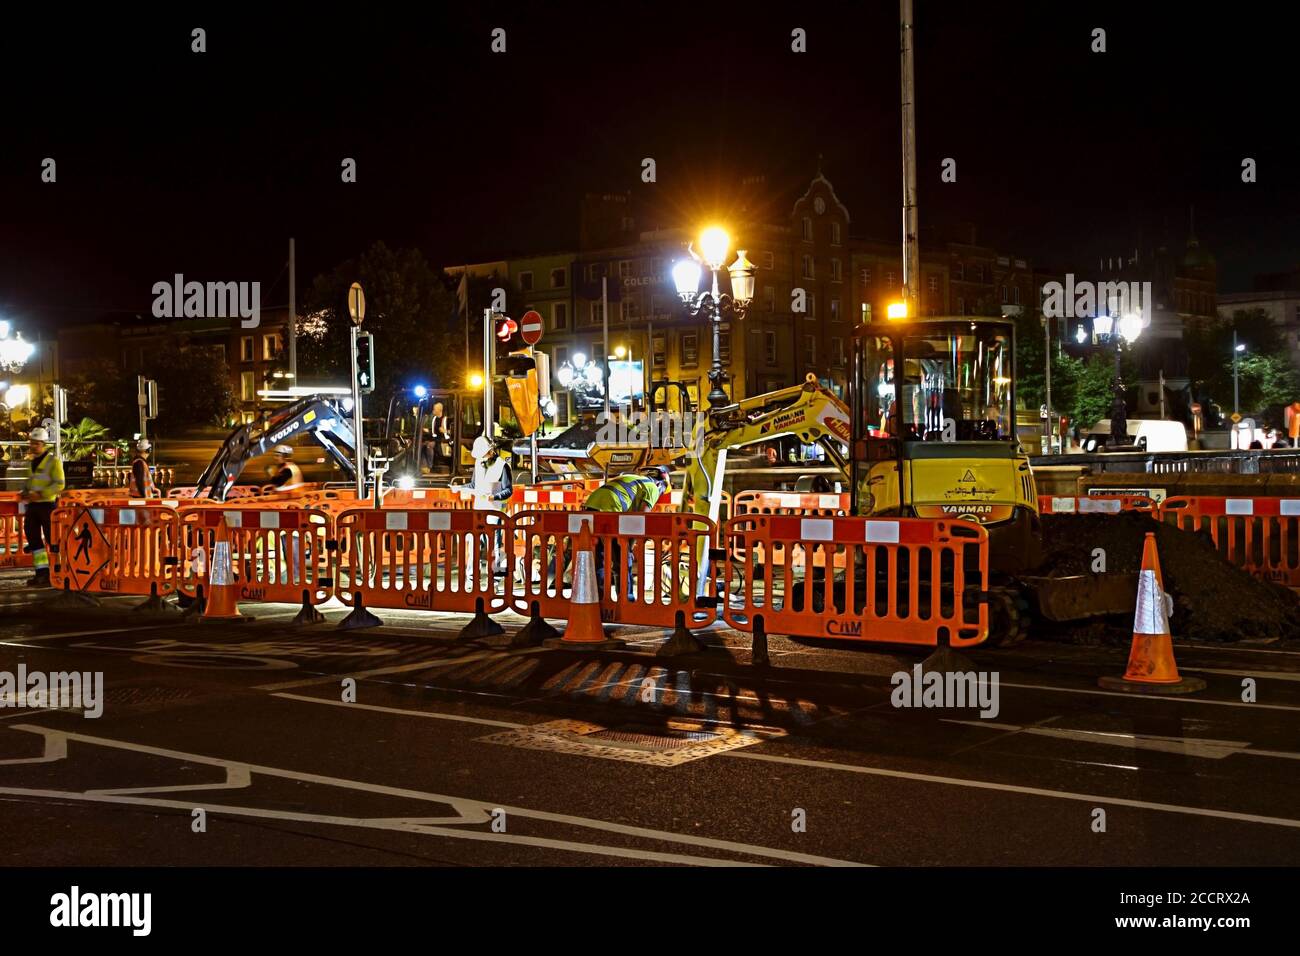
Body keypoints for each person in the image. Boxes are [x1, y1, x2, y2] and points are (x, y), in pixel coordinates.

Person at [581, 466, 670, 594]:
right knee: (622, 559)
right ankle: (626, 600)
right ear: (661, 483)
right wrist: (629, 548)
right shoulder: (652, 488)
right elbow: (641, 519)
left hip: (591, 505)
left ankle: (599, 600)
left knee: (599, 558)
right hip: (611, 508)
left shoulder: (634, 481)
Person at [453, 435, 513, 574]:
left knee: (495, 546)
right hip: (479, 511)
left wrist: (494, 496)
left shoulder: (502, 466)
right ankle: (472, 576)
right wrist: (461, 487)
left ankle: (496, 578)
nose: (482, 457)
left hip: (494, 511)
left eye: (484, 454)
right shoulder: (479, 464)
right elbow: (475, 484)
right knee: (474, 544)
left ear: (491, 451)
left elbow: (508, 490)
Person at [20, 426, 65, 588]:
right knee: (33, 540)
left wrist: (41, 494)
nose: (32, 446)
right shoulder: (31, 462)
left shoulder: (53, 461)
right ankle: (42, 573)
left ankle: (57, 571)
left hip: (47, 506)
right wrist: (24, 492)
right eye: (31, 443)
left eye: (36, 443)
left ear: (43, 444)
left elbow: (60, 484)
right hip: (33, 507)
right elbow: (30, 482)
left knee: (53, 540)